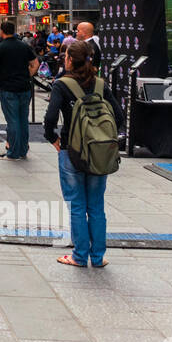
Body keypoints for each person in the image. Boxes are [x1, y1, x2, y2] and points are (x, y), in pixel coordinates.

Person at [44, 41, 122, 268]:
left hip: (71, 150)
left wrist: (55, 140)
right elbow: (118, 116)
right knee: (96, 206)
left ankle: (79, 255)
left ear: (69, 60)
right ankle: (97, 257)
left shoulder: (62, 85)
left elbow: (50, 119)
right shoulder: (100, 84)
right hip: (99, 152)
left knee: (77, 204)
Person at [0, 20, 39, 160]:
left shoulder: (0, 48)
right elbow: (35, 64)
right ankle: (22, 150)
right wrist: (27, 75)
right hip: (24, 87)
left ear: (2, 31)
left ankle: (13, 152)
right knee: (23, 119)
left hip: (8, 87)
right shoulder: (24, 46)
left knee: (13, 120)